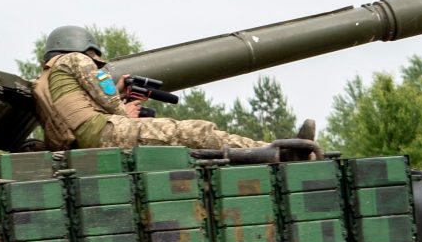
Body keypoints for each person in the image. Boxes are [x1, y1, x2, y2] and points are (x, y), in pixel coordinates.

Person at [31, 26, 265, 151]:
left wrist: (120, 92)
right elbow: (108, 99)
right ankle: (266, 149)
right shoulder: (76, 59)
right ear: (83, 48)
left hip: (87, 139)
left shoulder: (44, 81)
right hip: (105, 132)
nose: (95, 63)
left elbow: (76, 112)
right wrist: (125, 113)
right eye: (94, 58)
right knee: (192, 132)